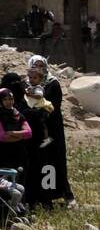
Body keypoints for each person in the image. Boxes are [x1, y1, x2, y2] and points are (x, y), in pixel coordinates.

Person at [27, 55, 74, 206]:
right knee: (43, 162)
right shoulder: (30, 83)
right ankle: (46, 195)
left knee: (56, 160)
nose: (39, 69)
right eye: (36, 66)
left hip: (52, 130)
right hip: (38, 130)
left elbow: (54, 107)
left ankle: (66, 193)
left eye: (42, 65)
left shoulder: (53, 84)